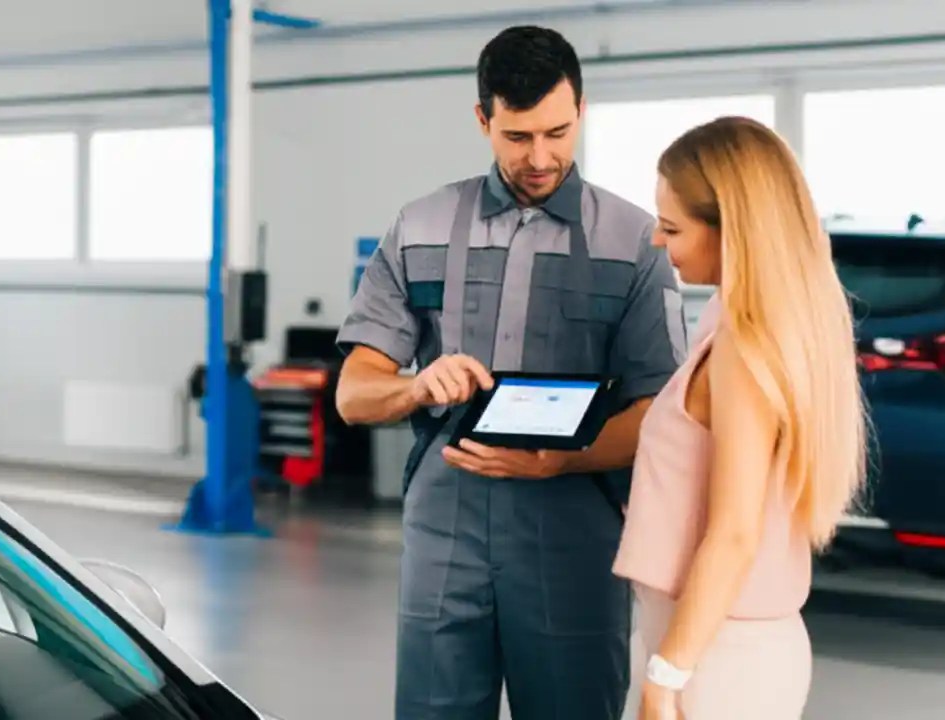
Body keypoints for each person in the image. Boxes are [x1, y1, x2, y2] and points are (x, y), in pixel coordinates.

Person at [335, 25, 688, 720]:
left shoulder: (635, 242)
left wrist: (561, 462)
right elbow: (354, 394)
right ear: (482, 119)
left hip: (574, 533)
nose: (540, 157)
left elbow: (660, 414)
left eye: (558, 133)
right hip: (445, 530)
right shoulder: (420, 226)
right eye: (517, 136)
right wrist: (414, 385)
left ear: (581, 110)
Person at [612, 116, 869, 720]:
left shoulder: (743, 348)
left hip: (715, 661)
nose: (658, 241)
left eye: (673, 227)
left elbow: (734, 533)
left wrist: (665, 676)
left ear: (733, 230)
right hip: (705, 645)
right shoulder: (736, 320)